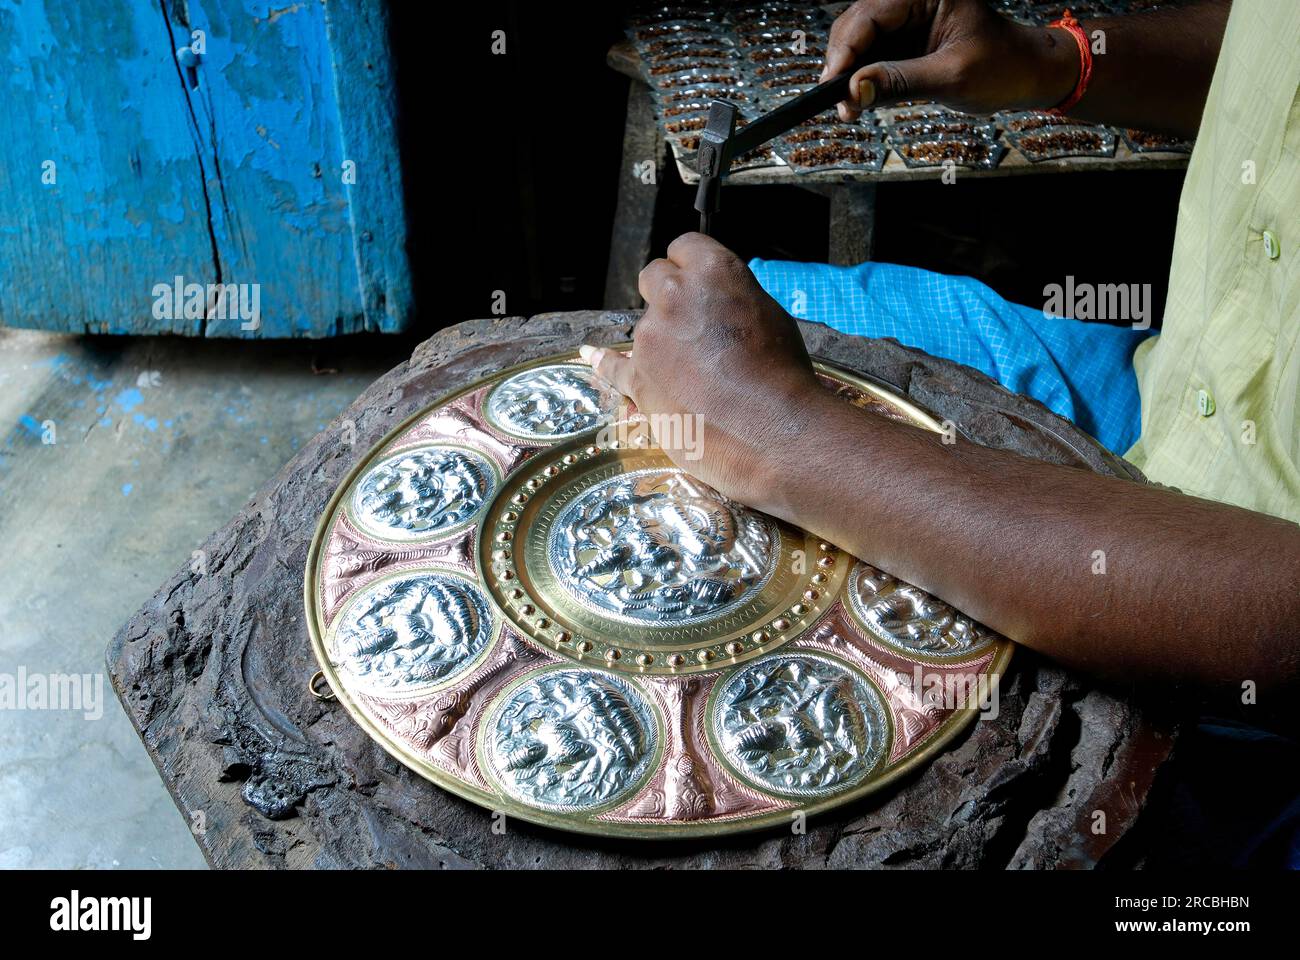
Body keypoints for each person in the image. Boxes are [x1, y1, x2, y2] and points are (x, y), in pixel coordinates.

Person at [579, 0, 1299, 739]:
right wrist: (1049, 59)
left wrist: (782, 436)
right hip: (1164, 384)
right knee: (713, 320)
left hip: (1238, 606)